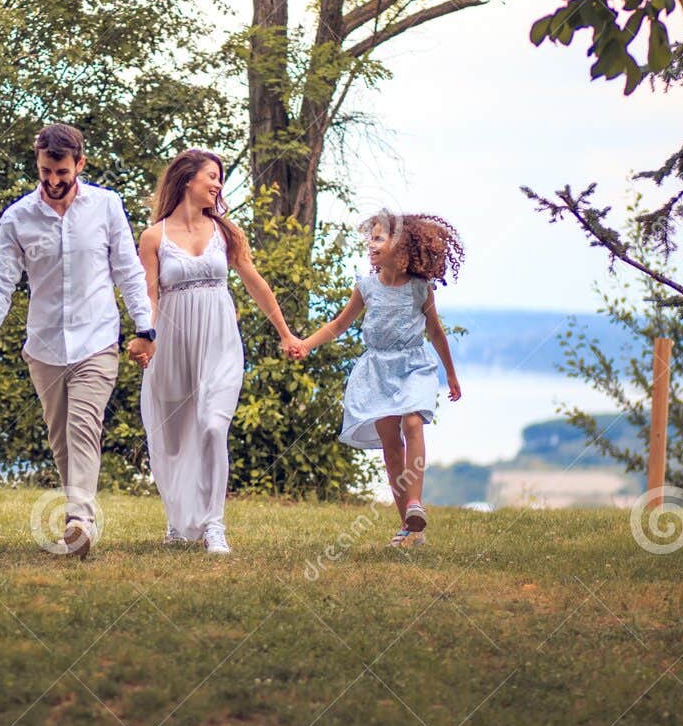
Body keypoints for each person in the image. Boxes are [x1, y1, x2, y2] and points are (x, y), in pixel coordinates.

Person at [0, 123, 156, 558]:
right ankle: (80, 515)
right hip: (45, 346)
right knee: (61, 438)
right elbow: (0, 283)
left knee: (83, 427)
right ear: (36, 164)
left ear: (80, 163)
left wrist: (145, 328)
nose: (53, 182)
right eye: (44, 172)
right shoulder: (18, 218)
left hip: (97, 340)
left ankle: (79, 520)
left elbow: (129, 271)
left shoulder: (107, 207)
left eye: (61, 172)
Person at [138, 150, 299, 554]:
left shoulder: (226, 233)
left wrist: (285, 333)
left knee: (212, 426)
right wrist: (146, 336)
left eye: (220, 178)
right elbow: (150, 295)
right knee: (172, 438)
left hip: (219, 341)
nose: (217, 184)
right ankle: (178, 519)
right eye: (212, 176)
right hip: (173, 344)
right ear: (187, 178)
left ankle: (214, 526)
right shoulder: (153, 237)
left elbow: (256, 283)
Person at [289, 211, 464, 547]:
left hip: (414, 365)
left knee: (413, 424)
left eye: (379, 238)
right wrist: (306, 345)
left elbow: (436, 332)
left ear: (402, 246)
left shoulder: (419, 289)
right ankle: (409, 526)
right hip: (378, 371)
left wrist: (451, 375)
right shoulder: (366, 287)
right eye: (370, 238)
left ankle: (415, 501)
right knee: (390, 445)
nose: (371, 244)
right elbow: (338, 325)